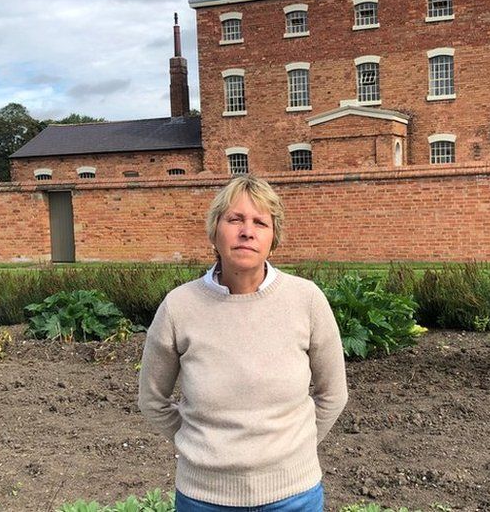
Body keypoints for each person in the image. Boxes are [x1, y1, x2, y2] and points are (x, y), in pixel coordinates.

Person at [138, 174, 348, 511]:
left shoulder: (306, 300)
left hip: (294, 496)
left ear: (273, 236)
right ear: (215, 231)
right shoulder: (179, 306)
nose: (247, 230)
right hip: (203, 498)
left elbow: (333, 394)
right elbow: (152, 399)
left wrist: (293, 451)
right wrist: (200, 448)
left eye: (260, 222)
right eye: (235, 219)